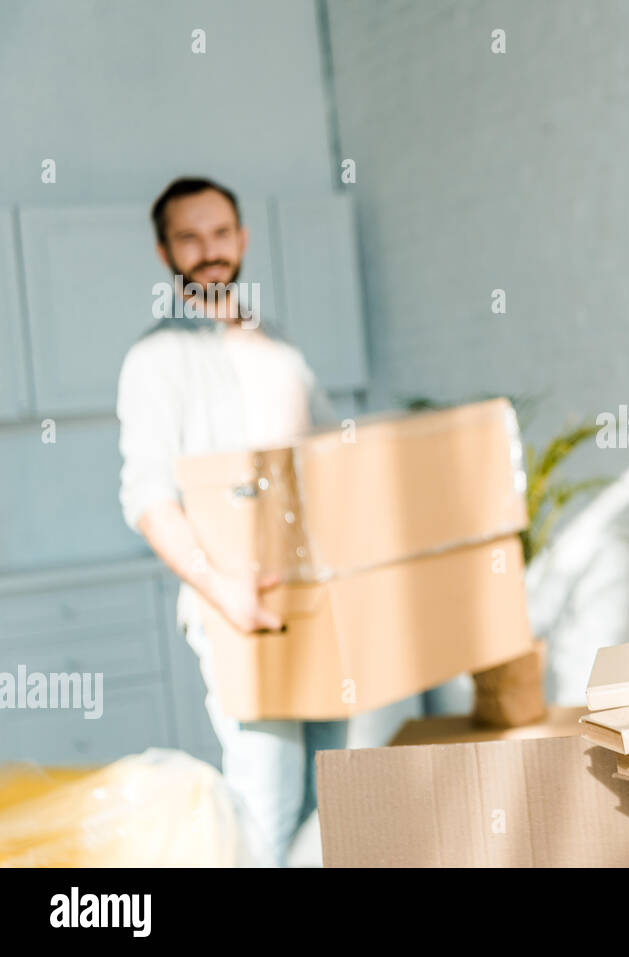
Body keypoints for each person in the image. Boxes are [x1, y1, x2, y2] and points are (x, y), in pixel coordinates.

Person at [116, 176, 347, 866]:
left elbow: (332, 462)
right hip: (235, 607)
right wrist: (223, 590)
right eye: (189, 238)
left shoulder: (279, 345)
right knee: (266, 808)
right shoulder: (156, 358)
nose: (209, 250)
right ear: (164, 252)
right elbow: (147, 496)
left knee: (332, 800)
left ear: (242, 239)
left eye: (220, 233)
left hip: (316, 600)